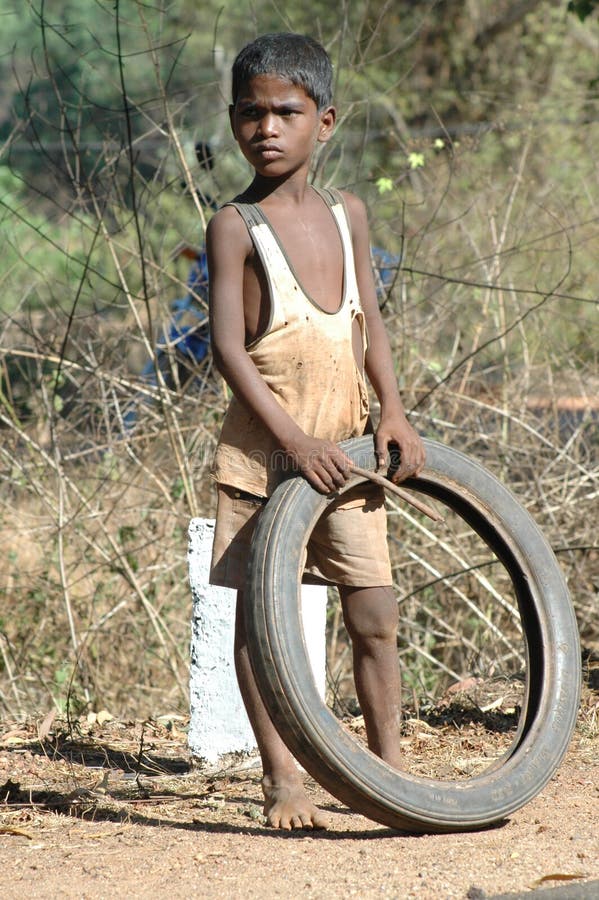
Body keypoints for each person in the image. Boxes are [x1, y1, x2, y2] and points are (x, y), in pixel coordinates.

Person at [206, 32, 425, 831]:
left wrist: (391, 409)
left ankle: (387, 773)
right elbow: (228, 349)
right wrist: (292, 442)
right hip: (265, 455)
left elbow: (369, 323)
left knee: (374, 614)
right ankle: (282, 779)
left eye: (286, 112)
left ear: (324, 122)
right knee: (262, 623)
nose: (265, 128)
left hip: (349, 450)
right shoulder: (235, 225)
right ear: (234, 120)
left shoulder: (346, 215)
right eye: (249, 113)